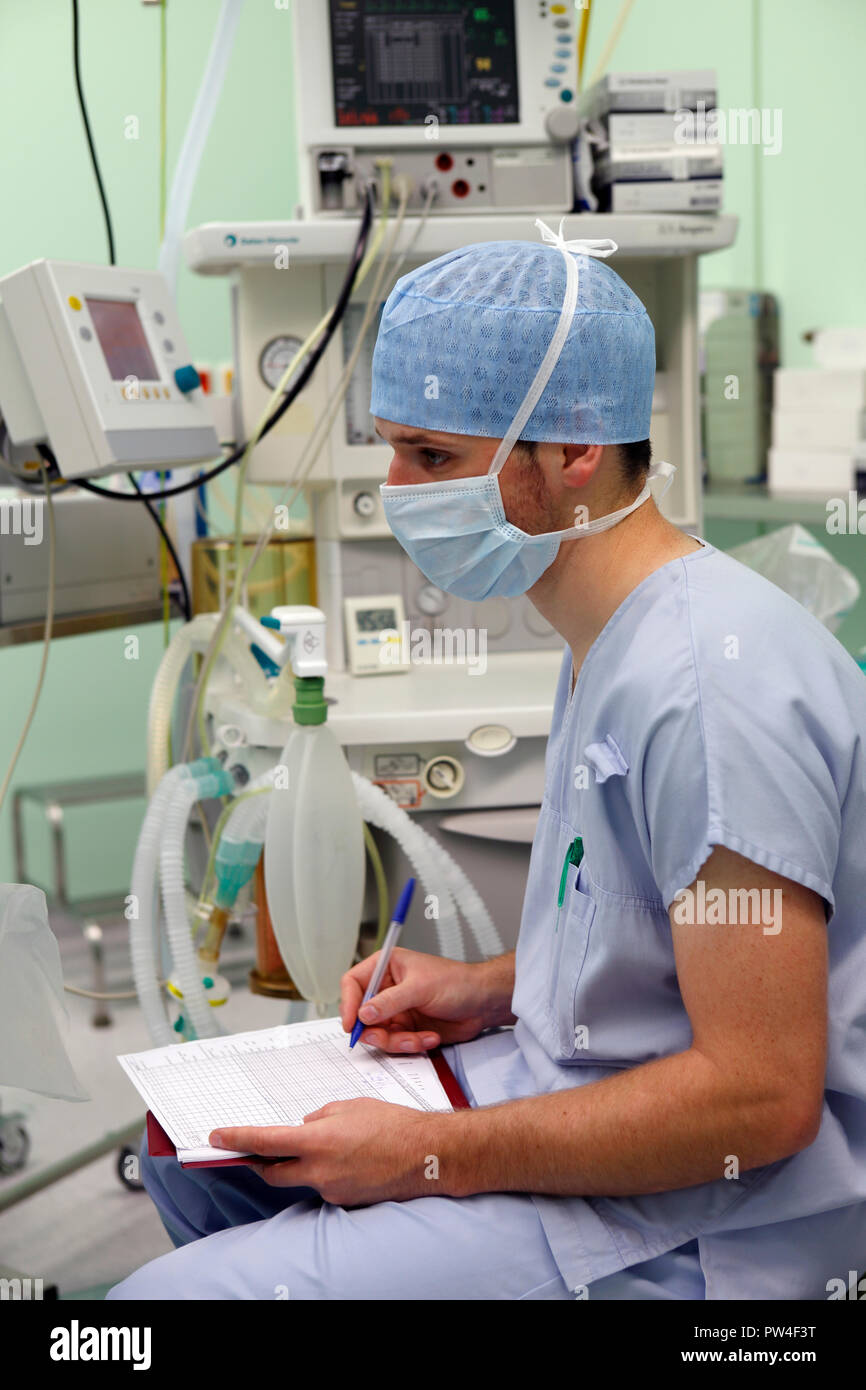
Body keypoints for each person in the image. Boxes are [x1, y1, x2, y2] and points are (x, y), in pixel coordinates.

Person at [109, 222, 866, 1300]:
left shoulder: (706, 689)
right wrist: (489, 988)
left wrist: (426, 1158)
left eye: (432, 458)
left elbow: (759, 1097)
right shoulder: (614, 636)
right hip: (597, 1082)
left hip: (717, 1222)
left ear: (572, 452)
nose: (395, 487)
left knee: (150, 1310)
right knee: (201, 1167)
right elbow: (665, 946)